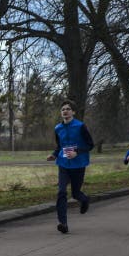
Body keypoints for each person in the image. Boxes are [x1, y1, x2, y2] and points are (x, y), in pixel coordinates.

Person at [46, 100, 94, 234]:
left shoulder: (80, 126)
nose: (65, 111)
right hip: (63, 163)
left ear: (73, 112)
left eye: (68, 109)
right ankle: (63, 223)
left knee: (75, 193)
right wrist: (54, 155)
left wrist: (76, 152)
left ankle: (84, 200)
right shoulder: (57, 128)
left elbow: (90, 145)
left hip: (78, 163)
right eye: (63, 109)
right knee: (61, 192)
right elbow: (59, 146)